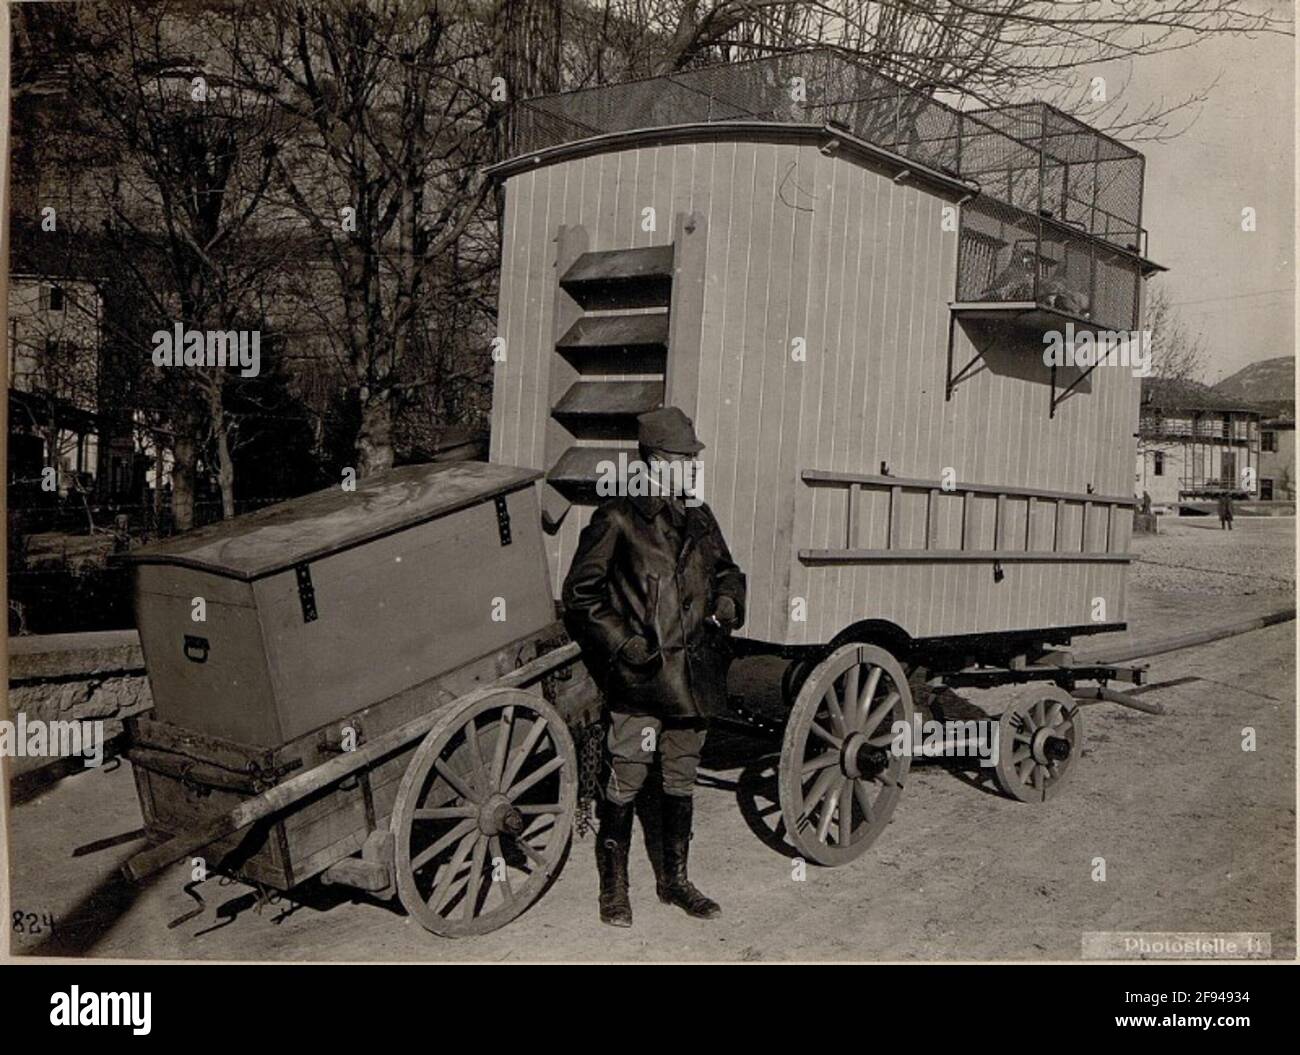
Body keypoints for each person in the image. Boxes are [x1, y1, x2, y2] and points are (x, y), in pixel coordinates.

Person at [562, 407, 746, 928]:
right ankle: (615, 891)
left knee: (681, 778)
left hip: (692, 680)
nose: (693, 466)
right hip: (643, 680)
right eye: (686, 458)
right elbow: (580, 596)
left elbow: (729, 570)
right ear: (656, 461)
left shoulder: (700, 517)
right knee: (626, 780)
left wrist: (729, 598)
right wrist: (624, 646)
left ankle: (676, 882)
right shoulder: (618, 517)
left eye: (693, 458)